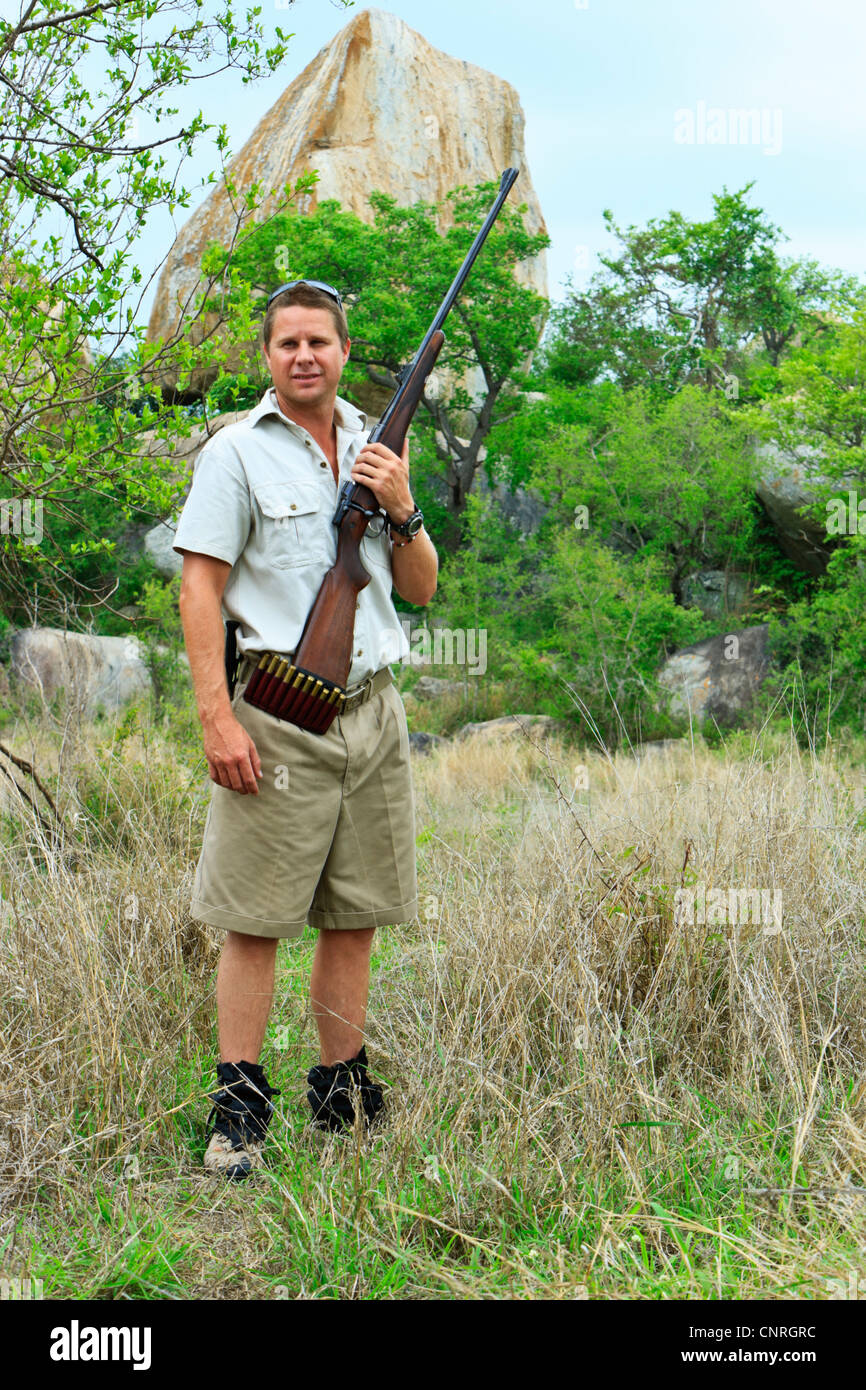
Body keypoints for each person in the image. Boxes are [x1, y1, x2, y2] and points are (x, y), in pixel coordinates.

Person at [173, 279, 438, 1179]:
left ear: (342, 350)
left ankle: (341, 1092)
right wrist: (217, 717)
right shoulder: (236, 455)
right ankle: (238, 1110)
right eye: (287, 343)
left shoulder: (377, 447)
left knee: (356, 915)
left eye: (318, 342)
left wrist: (401, 505)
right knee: (255, 919)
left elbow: (425, 586)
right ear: (268, 355)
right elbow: (200, 588)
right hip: (278, 712)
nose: (303, 356)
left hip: (372, 711)